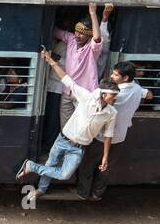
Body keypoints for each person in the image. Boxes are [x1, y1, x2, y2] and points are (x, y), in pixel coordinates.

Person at [16, 52, 118, 196]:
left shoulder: (111, 113)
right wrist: (51, 61)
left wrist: (105, 156)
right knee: (50, 165)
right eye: (113, 96)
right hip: (62, 139)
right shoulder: (86, 97)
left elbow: (108, 135)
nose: (115, 99)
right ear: (103, 94)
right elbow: (67, 80)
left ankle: (31, 166)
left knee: (65, 174)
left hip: (79, 148)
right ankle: (41, 189)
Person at [75, 60, 151, 201]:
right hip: (120, 137)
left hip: (100, 136)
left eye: (115, 75)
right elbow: (150, 95)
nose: (112, 76)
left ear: (125, 78)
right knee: (106, 167)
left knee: (87, 164)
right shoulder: (137, 89)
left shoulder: (112, 92)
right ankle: (97, 194)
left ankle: (82, 193)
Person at [54, 3, 110, 125]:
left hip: (85, 93)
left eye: (82, 33)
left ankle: (77, 145)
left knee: (81, 125)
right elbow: (55, 31)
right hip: (67, 91)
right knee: (65, 125)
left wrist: (93, 13)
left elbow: (97, 38)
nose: (78, 35)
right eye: (76, 31)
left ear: (89, 35)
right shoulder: (71, 40)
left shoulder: (92, 48)